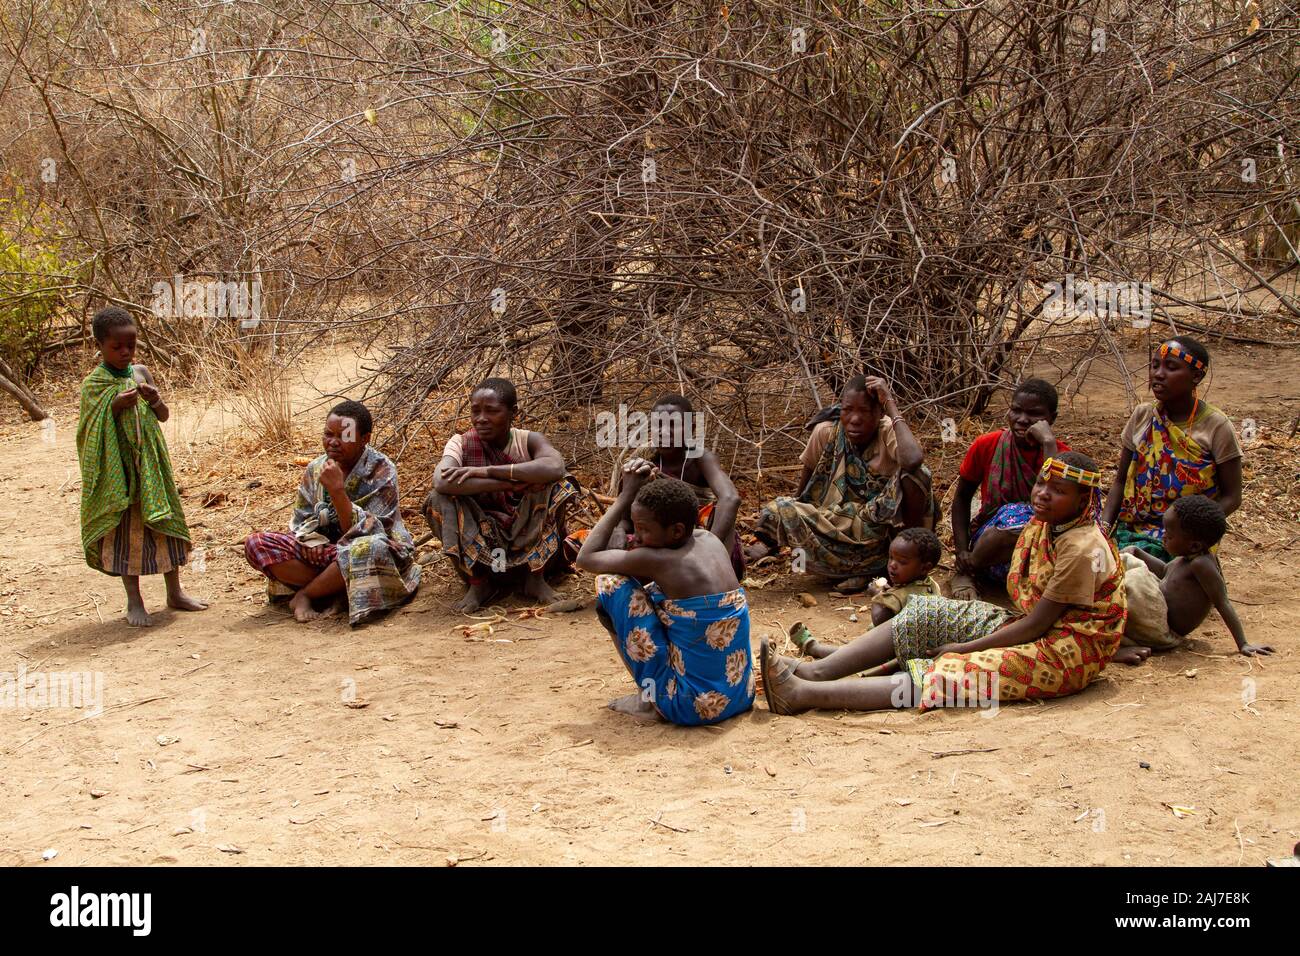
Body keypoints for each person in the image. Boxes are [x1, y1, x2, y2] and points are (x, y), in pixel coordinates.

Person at [760, 451, 1127, 714]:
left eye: (1059, 490)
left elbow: (1039, 623)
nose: (1043, 492)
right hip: (1033, 627)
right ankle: (815, 671)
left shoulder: (1082, 547)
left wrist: (965, 649)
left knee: (952, 674)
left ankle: (804, 694)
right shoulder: (1048, 523)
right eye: (1043, 482)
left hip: (1066, 653)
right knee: (927, 611)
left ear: (1084, 500)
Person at [576, 463, 753, 726]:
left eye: (644, 529)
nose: (637, 536)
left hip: (691, 708)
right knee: (654, 595)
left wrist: (625, 495)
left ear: (677, 531)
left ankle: (648, 700)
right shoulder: (709, 540)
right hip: (740, 694)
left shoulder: (658, 560)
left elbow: (586, 558)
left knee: (611, 585)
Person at [744, 375, 935, 592]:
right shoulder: (826, 431)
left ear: (879, 413)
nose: (854, 419)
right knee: (780, 508)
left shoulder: (887, 430)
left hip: (883, 534)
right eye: (847, 410)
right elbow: (804, 495)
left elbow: (913, 461)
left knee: (918, 475)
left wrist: (890, 402)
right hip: (837, 528)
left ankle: (908, 561)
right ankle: (864, 572)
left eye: (864, 411)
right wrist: (782, 528)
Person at [77, 306, 206, 626]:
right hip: (120, 473)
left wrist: (154, 399)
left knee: (163, 524)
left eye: (131, 346)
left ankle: (174, 592)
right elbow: (87, 432)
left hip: (151, 467)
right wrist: (115, 406)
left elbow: (163, 416)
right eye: (116, 347)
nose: (125, 352)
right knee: (126, 532)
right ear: (100, 346)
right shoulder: (95, 384)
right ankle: (134, 601)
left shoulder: (141, 373)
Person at [244, 400, 420, 625]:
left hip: (363, 552)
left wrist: (337, 491)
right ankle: (336, 590)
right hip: (327, 555)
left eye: (344, 436)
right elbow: (300, 522)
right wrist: (312, 542)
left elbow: (374, 531)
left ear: (364, 439)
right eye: (328, 434)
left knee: (369, 548)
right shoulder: (315, 468)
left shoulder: (382, 469)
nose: (333, 442)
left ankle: (307, 595)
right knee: (256, 543)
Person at [422, 377, 579, 612]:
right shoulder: (461, 443)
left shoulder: (527, 441)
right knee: (438, 499)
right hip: (485, 545)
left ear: (513, 412)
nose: (481, 419)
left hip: (525, 532)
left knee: (556, 485)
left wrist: (488, 471)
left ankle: (535, 579)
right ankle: (480, 583)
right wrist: (506, 484)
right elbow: (442, 480)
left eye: (492, 411)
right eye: (475, 411)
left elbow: (555, 467)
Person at [564, 393, 744, 579]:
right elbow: (625, 517)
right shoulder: (641, 459)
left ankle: (705, 573)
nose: (664, 432)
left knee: (719, 516)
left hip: (692, 540)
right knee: (589, 540)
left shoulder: (700, 458)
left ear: (691, 428)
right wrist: (618, 530)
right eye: (658, 424)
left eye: (673, 425)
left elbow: (730, 498)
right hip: (652, 538)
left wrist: (708, 549)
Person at [1101, 337, 1242, 560]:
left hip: (1185, 537)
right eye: (1155, 365)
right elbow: (1120, 482)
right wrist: (1103, 529)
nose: (1158, 374)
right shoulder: (1143, 416)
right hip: (1131, 528)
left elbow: (1232, 497)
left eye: (1171, 367)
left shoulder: (1216, 426)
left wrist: (1190, 531)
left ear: (1196, 376)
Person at [1115, 494, 1274, 664]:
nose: (1163, 537)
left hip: (1161, 629)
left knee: (1135, 579)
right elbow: (1163, 570)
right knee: (1128, 559)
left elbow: (1222, 602)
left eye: (1169, 535)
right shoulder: (1185, 558)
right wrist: (1137, 552)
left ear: (1195, 545)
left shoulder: (1201, 564)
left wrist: (1243, 643)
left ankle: (1112, 643)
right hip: (1154, 613)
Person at [950, 379, 1070, 599]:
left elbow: (1054, 504)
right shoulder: (987, 445)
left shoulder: (1062, 456)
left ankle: (975, 572)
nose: (1022, 420)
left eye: (1034, 414)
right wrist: (962, 552)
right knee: (1010, 516)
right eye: (1016, 410)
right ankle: (967, 569)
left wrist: (1048, 444)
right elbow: (961, 498)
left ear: (1051, 419)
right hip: (990, 545)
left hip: (1040, 547)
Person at [790, 528, 943, 662]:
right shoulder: (931, 585)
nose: (892, 565)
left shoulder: (900, 595)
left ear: (924, 568)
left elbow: (879, 620)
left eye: (902, 562)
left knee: (849, 654)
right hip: (921, 645)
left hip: (896, 652)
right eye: (891, 557)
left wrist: (877, 596)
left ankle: (814, 648)